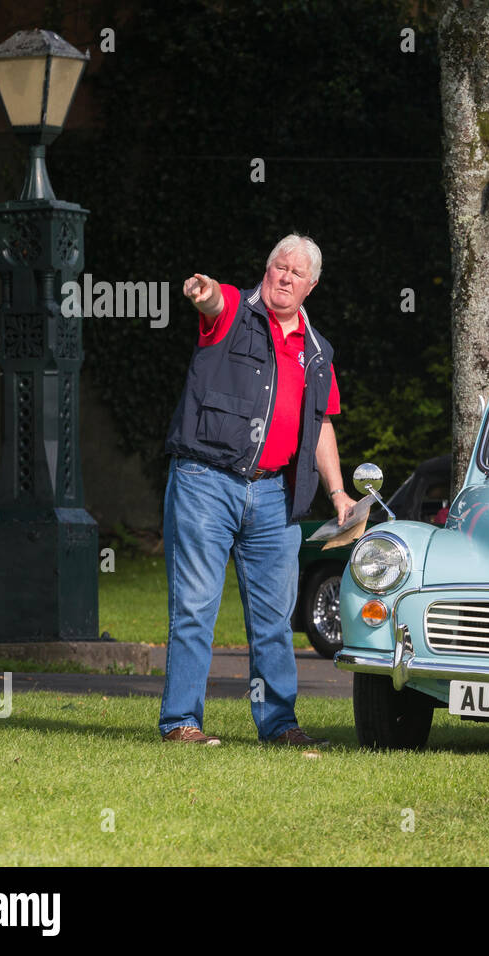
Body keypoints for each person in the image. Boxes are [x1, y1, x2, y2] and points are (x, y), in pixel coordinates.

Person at [158, 234, 357, 747]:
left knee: (272, 620)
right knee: (196, 605)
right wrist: (203, 294)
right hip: (206, 480)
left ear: (311, 285)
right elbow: (213, 301)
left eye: (295, 272)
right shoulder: (233, 312)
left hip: (274, 496)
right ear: (265, 269)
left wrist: (338, 493)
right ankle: (181, 722)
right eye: (277, 266)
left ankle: (279, 725)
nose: (284, 276)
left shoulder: (317, 352)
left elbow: (321, 426)